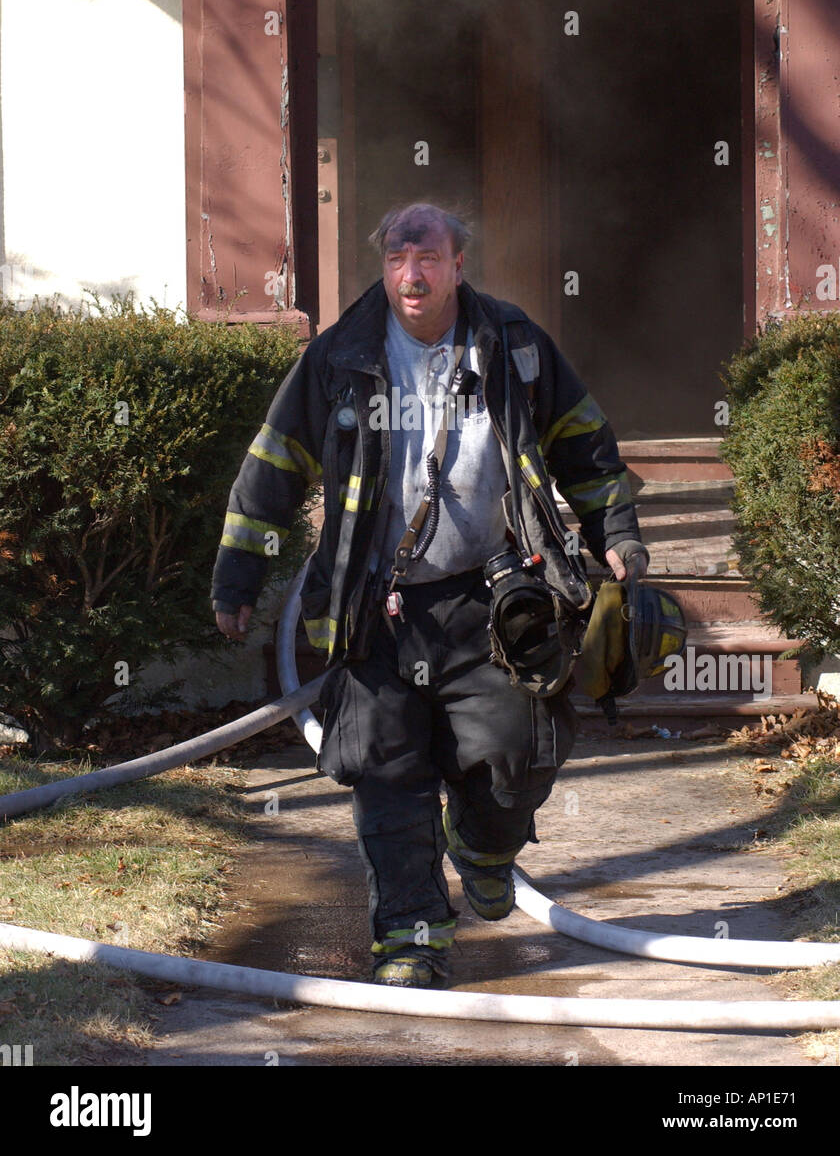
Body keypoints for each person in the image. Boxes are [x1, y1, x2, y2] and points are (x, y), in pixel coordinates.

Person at [212, 202, 648, 988]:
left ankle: (484, 849)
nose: (412, 275)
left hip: (493, 605)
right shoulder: (340, 356)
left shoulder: (514, 346)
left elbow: (585, 445)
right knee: (388, 776)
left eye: (429, 259)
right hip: (374, 608)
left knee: (512, 756)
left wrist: (616, 536)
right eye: (397, 260)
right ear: (384, 267)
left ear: (456, 265)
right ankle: (410, 941)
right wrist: (235, 578)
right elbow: (271, 467)